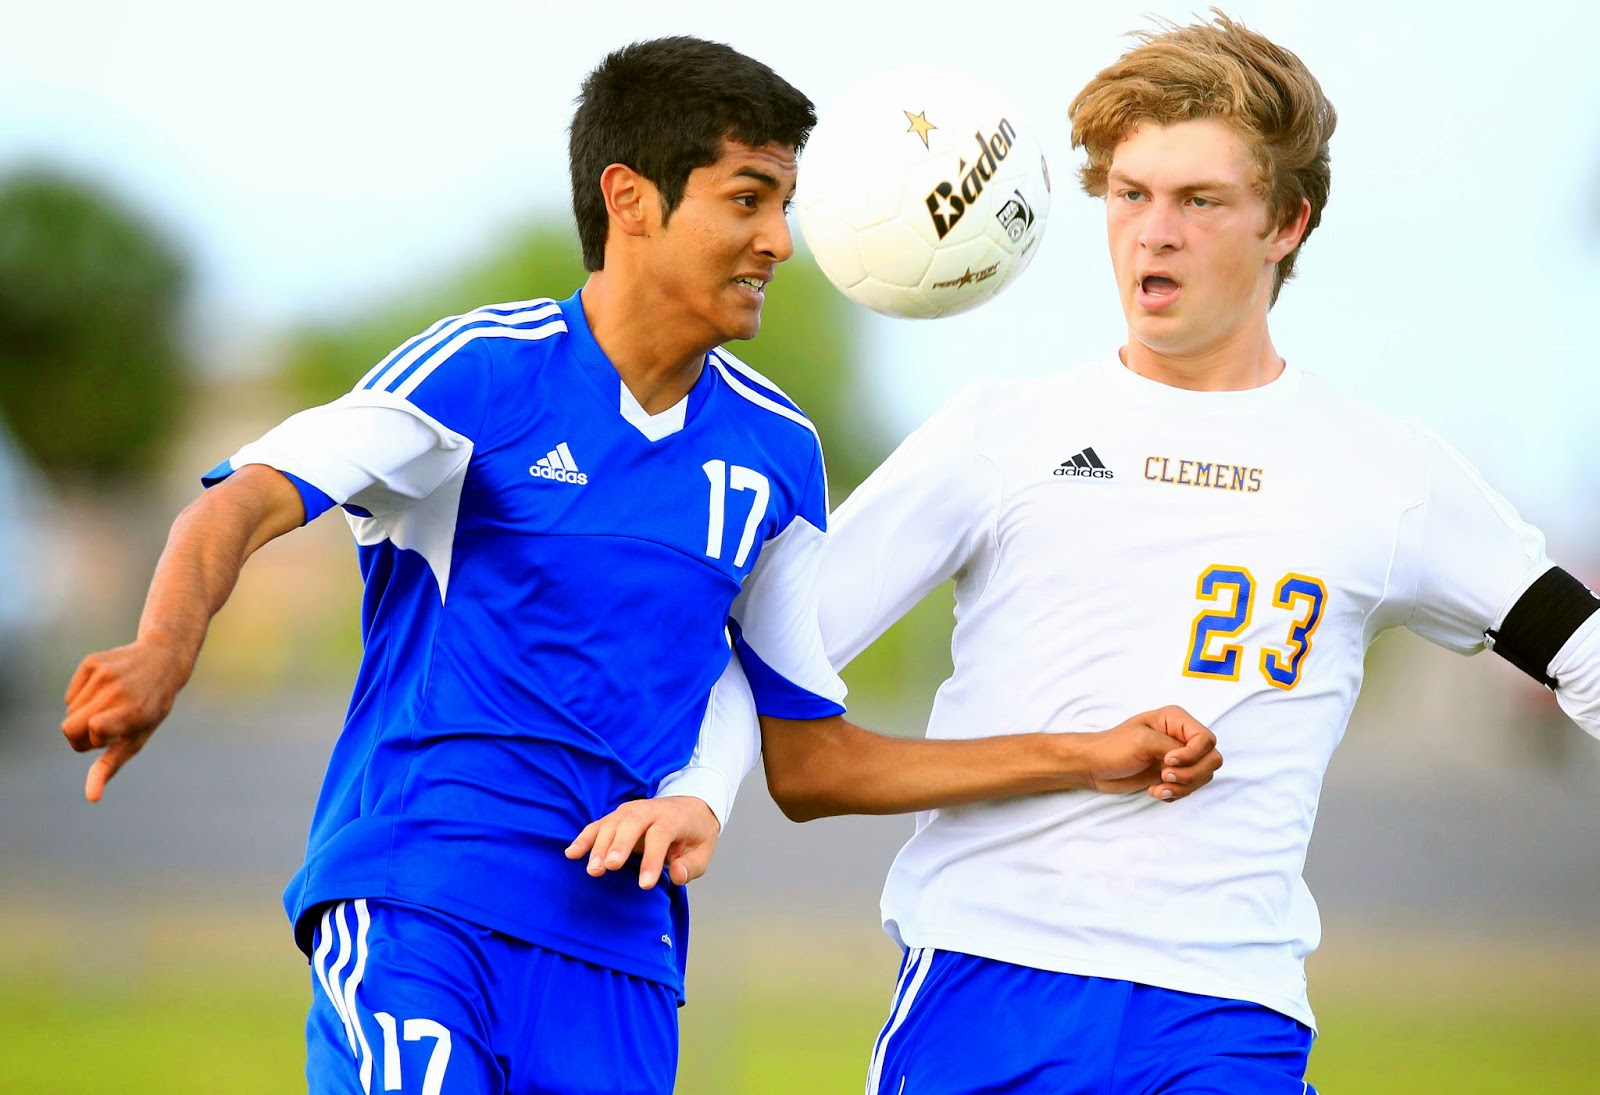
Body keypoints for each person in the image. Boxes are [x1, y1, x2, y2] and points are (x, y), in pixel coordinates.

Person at [60, 35, 1222, 1095]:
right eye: (748, 199)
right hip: (425, 896)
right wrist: (165, 650)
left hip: (623, 955)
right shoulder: (485, 372)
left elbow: (810, 760)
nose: (779, 239)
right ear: (631, 201)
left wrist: (1086, 755)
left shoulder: (774, 452)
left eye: (787, 203)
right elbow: (245, 502)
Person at [807, 13, 1600, 1094]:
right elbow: (775, 647)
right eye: (1129, 194)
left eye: (1199, 201)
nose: (1152, 233)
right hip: (987, 987)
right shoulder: (1000, 433)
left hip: (1227, 1014)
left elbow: (1580, 647)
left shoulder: (1386, 472)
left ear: (1288, 221)